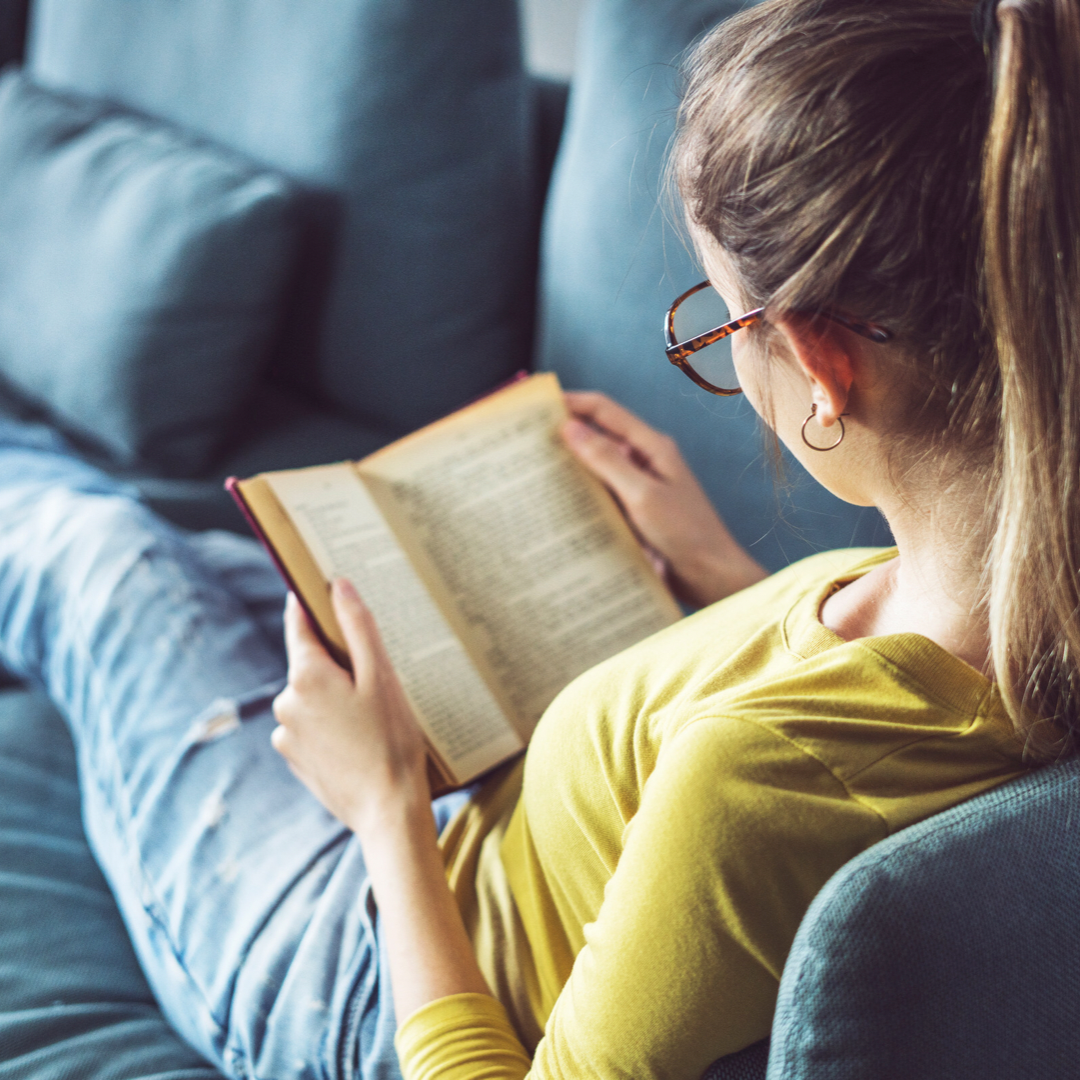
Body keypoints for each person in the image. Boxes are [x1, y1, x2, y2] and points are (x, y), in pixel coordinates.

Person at [0, 0, 1073, 1075]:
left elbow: (784, 784)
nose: (732, 365)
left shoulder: (743, 787)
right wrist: (717, 571)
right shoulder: (1022, 594)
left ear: (824, 366)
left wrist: (384, 811)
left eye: (726, 324)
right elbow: (851, 729)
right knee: (233, 570)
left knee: (90, 549)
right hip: (479, 863)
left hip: (367, 974)